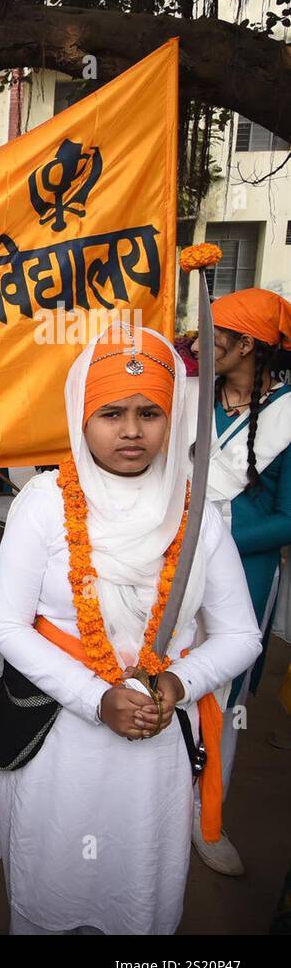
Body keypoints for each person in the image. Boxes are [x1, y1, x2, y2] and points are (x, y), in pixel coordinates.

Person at [0, 324, 261, 934]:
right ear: (80, 415)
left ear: (175, 418)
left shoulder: (197, 512)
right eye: (111, 413)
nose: (132, 431)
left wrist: (174, 687)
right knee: (50, 891)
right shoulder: (44, 502)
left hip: (154, 739)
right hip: (58, 733)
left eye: (150, 413)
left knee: (135, 897)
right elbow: (6, 626)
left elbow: (241, 635)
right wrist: (95, 697)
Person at [187, 287, 291, 875]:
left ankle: (207, 818)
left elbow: (289, 517)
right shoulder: (192, 391)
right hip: (171, 560)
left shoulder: (288, 412)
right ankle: (156, 802)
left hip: (241, 572)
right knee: (163, 675)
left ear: (247, 344)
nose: (200, 345)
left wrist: (215, 543)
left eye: (213, 336)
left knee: (220, 699)